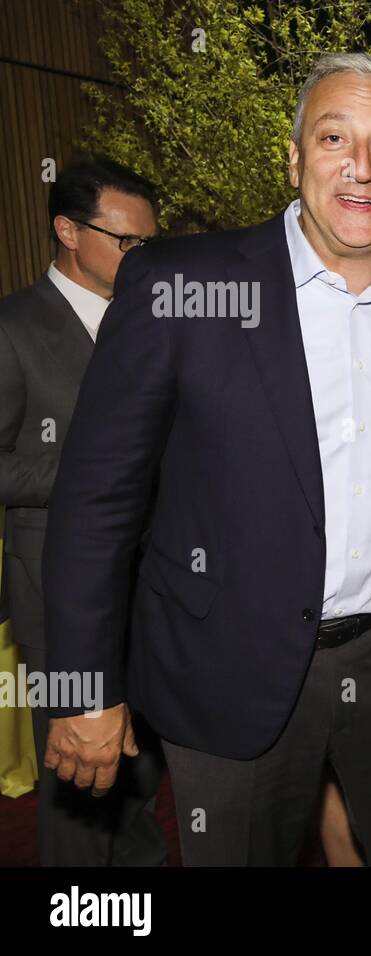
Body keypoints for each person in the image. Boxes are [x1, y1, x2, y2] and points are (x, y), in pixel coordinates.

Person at [40, 53, 371, 865]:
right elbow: (96, 500)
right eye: (334, 137)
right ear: (295, 157)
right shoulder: (180, 282)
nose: (362, 168)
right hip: (226, 663)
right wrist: (82, 689)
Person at [1, 156, 167, 867]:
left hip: (158, 595)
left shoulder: (158, 323)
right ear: (67, 230)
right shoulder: (11, 328)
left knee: (140, 782)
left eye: (148, 243)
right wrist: (90, 472)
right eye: (124, 241)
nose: (140, 257)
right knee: (78, 791)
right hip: (59, 603)